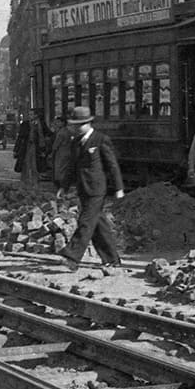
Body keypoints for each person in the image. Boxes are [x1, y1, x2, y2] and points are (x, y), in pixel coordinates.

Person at [56, 106, 125, 271]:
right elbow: (72, 167)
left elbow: (112, 166)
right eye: (73, 125)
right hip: (83, 188)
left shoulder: (101, 140)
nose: (74, 128)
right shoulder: (75, 142)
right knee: (98, 224)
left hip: (96, 189)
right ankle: (112, 258)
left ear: (87, 124)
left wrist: (118, 188)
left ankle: (72, 257)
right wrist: (64, 187)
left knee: (85, 222)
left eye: (77, 125)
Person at [49, 115, 71, 189]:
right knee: (64, 169)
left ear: (63, 123)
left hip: (61, 153)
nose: (57, 123)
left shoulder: (61, 133)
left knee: (59, 170)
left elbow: (55, 145)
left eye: (58, 122)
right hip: (67, 152)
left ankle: (61, 187)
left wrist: (52, 153)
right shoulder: (67, 131)